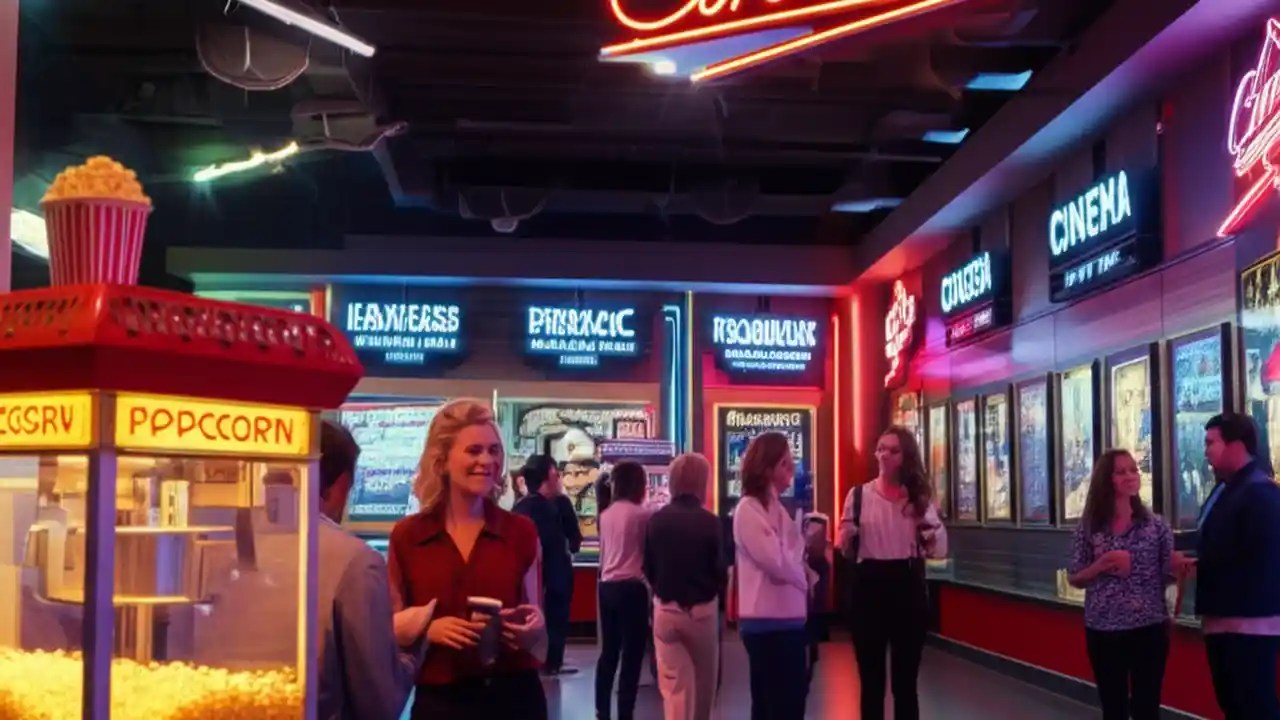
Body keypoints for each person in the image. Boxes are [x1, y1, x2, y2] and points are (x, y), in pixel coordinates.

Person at [387, 399, 549, 720]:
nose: (486, 461)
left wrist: (532, 630)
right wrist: (427, 630)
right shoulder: (408, 536)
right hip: (441, 701)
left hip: (515, 697)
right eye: (474, 451)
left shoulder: (521, 531)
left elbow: (537, 625)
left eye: (493, 451)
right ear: (443, 459)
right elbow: (388, 627)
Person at [316, 420, 429, 720]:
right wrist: (411, 647)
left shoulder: (227, 544)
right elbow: (379, 701)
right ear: (341, 484)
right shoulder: (356, 561)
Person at [1067, 449, 1187, 720]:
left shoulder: (1156, 526)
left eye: (1133, 470)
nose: (1130, 476)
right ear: (1106, 480)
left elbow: (1168, 578)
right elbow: (1074, 577)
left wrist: (1177, 571)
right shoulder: (1089, 527)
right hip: (1104, 628)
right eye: (1121, 472)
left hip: (1149, 628)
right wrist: (1101, 565)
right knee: (1114, 707)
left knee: (1147, 706)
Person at [838, 426, 946, 720]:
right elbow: (845, 546)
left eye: (893, 450)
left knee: (905, 682)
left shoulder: (918, 499)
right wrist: (847, 537)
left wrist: (927, 531)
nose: (884, 455)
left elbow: (938, 548)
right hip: (868, 585)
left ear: (906, 456)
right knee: (871, 682)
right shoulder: (858, 495)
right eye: (881, 449)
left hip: (906, 585)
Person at [1197, 412, 1280, 719]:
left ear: (1237, 445)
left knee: (1253, 705)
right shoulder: (1225, 489)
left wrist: (1202, 562)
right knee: (1234, 704)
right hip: (1224, 619)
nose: (1205, 451)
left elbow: (1259, 556)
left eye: (1211, 443)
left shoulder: (1260, 492)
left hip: (1249, 623)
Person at [734, 432, 811, 720]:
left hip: (790, 620)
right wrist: (800, 576)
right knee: (778, 705)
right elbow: (777, 562)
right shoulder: (748, 510)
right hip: (766, 624)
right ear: (767, 467)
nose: (791, 469)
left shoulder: (778, 509)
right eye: (784, 463)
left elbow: (793, 556)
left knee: (788, 703)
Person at [645, 452, 725, 720]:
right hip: (702, 611)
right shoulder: (711, 522)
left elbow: (648, 567)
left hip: (666, 611)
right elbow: (720, 570)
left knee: (675, 690)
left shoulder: (656, 520)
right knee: (703, 689)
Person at [513, 454, 582, 676]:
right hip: (557, 577)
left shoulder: (519, 508)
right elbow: (573, 542)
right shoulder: (558, 505)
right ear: (548, 477)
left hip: (526, 580)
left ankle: (535, 659)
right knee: (557, 618)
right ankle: (553, 662)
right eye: (555, 474)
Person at [595, 460, 653, 720]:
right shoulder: (642, 515)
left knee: (608, 653)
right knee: (632, 656)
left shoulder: (605, 514)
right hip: (632, 589)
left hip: (606, 587)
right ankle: (625, 713)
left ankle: (601, 710)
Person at [802, 513, 831, 679]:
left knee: (812, 608)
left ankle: (812, 644)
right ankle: (817, 640)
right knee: (819, 603)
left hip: (810, 566)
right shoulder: (823, 522)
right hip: (820, 565)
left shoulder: (805, 523)